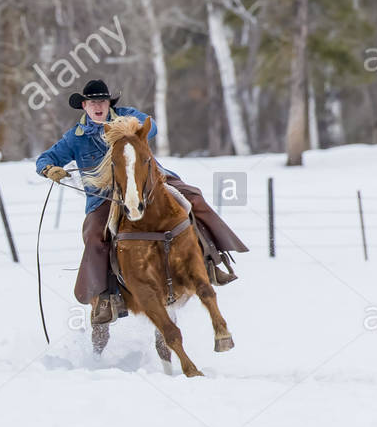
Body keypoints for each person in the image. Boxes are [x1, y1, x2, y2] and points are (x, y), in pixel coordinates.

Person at [35, 79, 247, 325]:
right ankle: (104, 296)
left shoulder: (127, 116)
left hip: (150, 183)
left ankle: (213, 261)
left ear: (108, 103)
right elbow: (46, 157)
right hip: (106, 197)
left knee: (194, 199)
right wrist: (49, 169)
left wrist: (127, 128)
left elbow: (152, 127)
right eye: (92, 102)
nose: (98, 106)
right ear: (84, 105)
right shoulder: (76, 137)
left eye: (102, 101)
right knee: (94, 236)